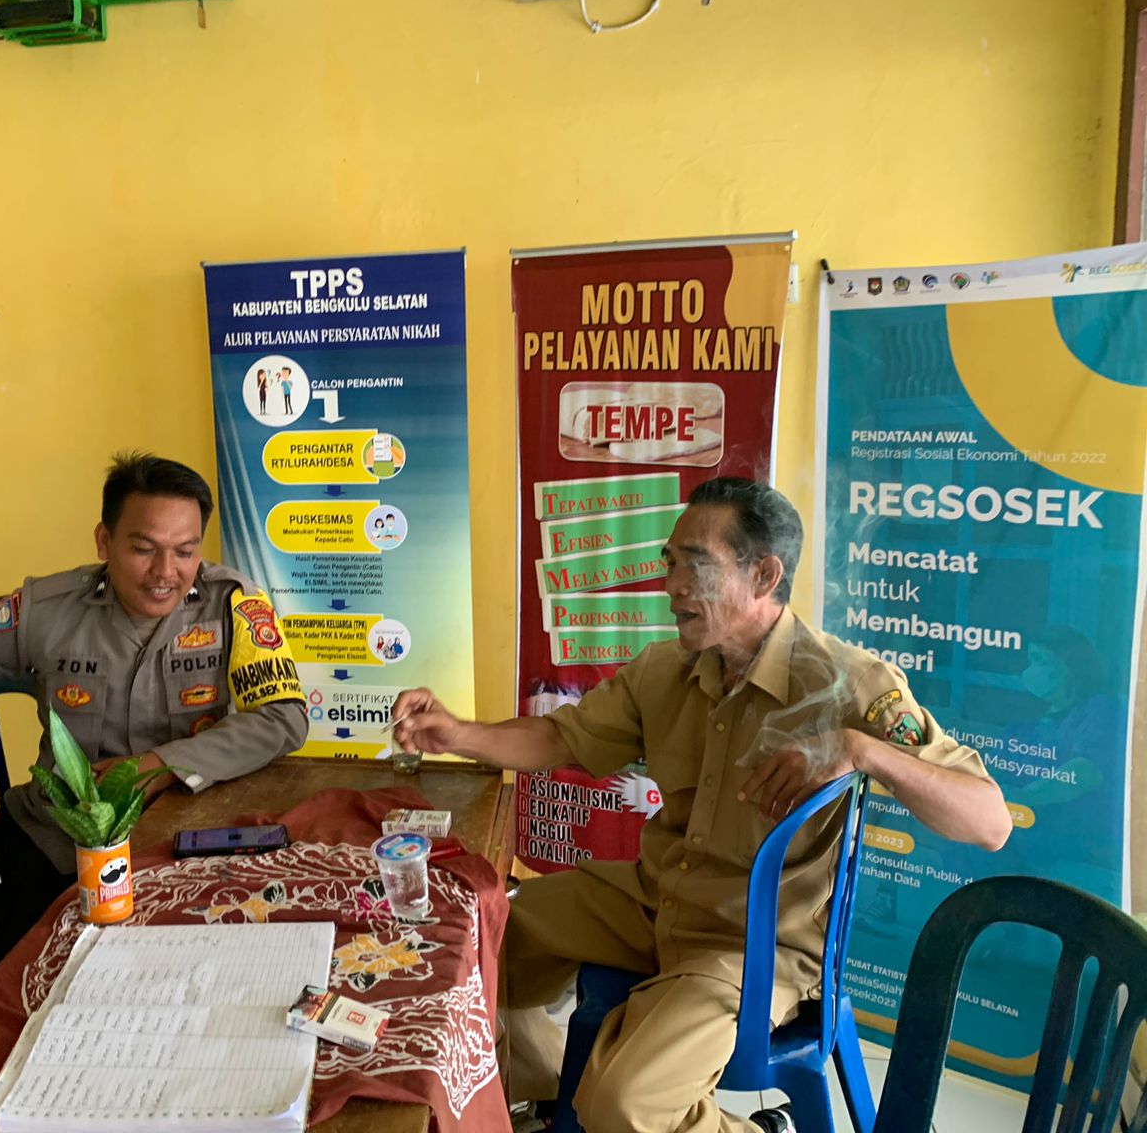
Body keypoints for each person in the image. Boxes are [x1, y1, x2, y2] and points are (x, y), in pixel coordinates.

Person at [393, 478, 1010, 1133]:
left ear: (764, 574)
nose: (671, 585)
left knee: (624, 1106)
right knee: (475, 943)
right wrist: (456, 733)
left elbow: (988, 821)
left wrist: (861, 749)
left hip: (750, 944)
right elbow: (559, 737)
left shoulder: (849, 684)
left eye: (696, 564)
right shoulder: (666, 670)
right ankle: (543, 1088)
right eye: (668, 563)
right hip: (649, 900)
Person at [0, 452, 308, 961]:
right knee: (21, 979)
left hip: (187, 835)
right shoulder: (49, 609)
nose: (165, 573)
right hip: (59, 840)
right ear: (105, 541)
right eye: (144, 549)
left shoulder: (231, 605)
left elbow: (285, 716)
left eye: (185, 552)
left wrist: (157, 767)